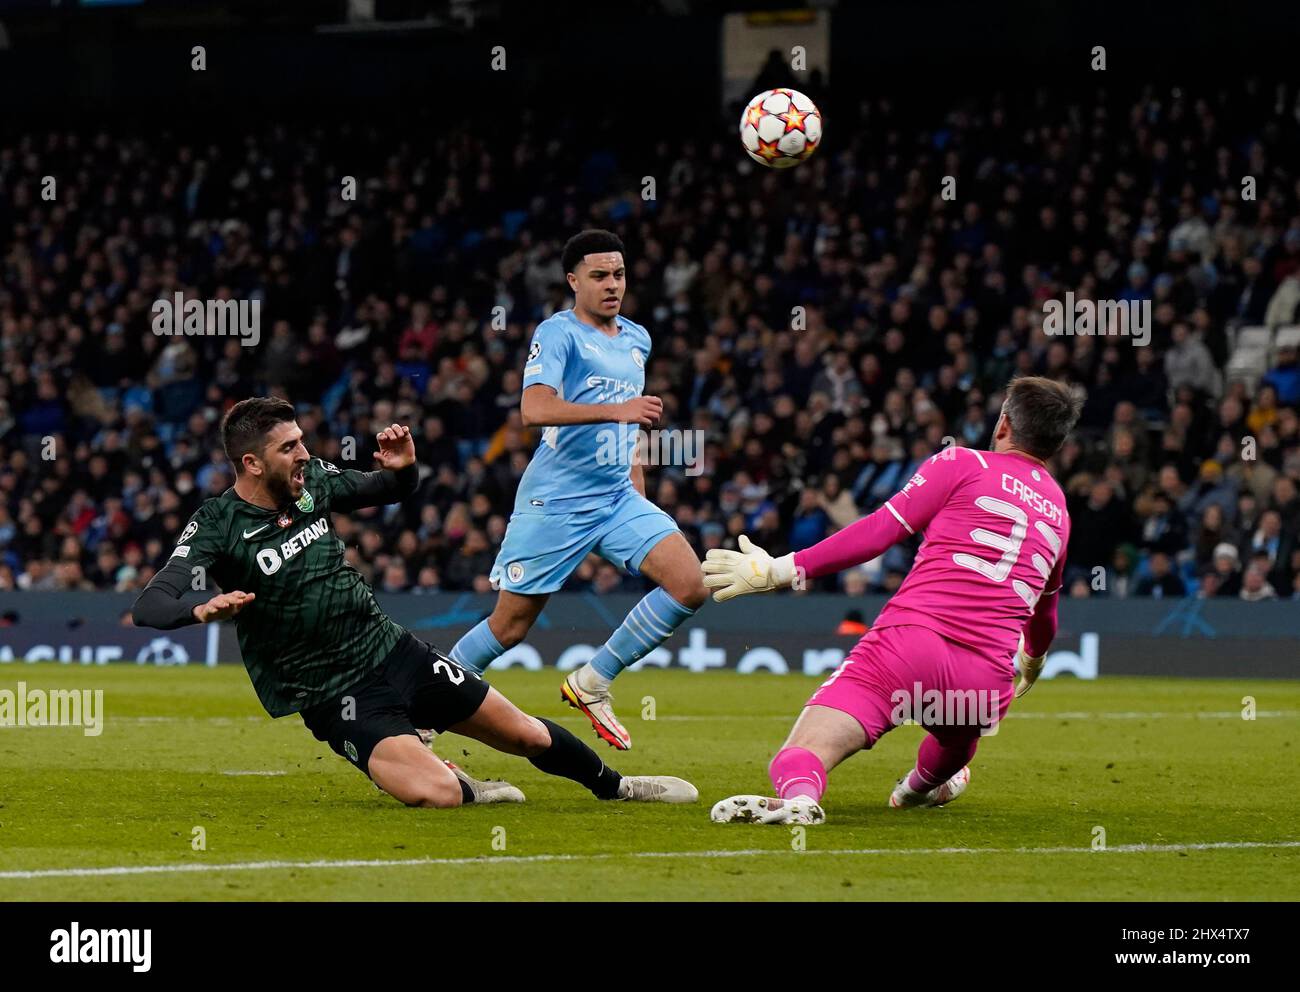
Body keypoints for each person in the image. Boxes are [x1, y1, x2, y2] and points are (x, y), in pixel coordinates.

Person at [132, 397, 696, 809]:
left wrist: (404, 467)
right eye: (289, 448)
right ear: (252, 464)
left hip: (394, 651)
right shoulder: (217, 525)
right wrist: (201, 610)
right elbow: (152, 603)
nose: (304, 453)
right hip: (334, 695)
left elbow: (390, 490)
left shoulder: (313, 485)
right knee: (437, 795)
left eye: (302, 440)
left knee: (524, 733)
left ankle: (616, 786)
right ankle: (461, 782)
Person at [702, 376, 1081, 825]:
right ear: (1055, 444)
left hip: (911, 645)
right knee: (957, 741)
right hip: (986, 678)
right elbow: (1045, 616)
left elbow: (880, 532)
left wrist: (777, 570)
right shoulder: (1059, 511)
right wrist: (1032, 663)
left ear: (1003, 425)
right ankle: (918, 788)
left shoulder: (961, 463)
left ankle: (801, 798)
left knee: (800, 755)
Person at [446, 230, 709, 750]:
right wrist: (619, 410)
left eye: (619, 275)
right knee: (510, 626)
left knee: (690, 583)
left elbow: (629, 429)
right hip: (557, 500)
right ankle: (430, 702)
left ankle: (593, 680)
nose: (612, 285)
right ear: (573, 281)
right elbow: (534, 410)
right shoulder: (558, 332)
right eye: (599, 276)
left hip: (616, 497)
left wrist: (639, 489)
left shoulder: (637, 338)